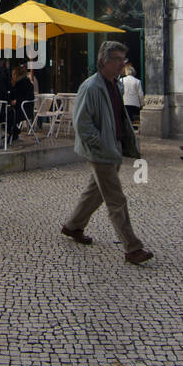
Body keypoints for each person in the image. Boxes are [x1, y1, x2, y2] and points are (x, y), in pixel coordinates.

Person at [61, 41, 152, 264]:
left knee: (95, 192)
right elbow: (81, 123)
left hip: (114, 147)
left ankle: (73, 226)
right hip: (100, 151)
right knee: (116, 199)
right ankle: (132, 247)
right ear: (105, 61)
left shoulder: (115, 85)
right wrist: (100, 144)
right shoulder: (90, 87)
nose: (123, 63)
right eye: (118, 59)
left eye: (123, 59)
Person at [8, 61, 35, 144]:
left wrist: (16, 101)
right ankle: (14, 132)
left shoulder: (24, 83)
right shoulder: (17, 83)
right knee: (6, 114)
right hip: (20, 108)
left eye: (13, 74)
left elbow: (26, 96)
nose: (12, 77)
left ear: (17, 75)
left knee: (5, 116)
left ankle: (14, 132)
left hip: (23, 110)